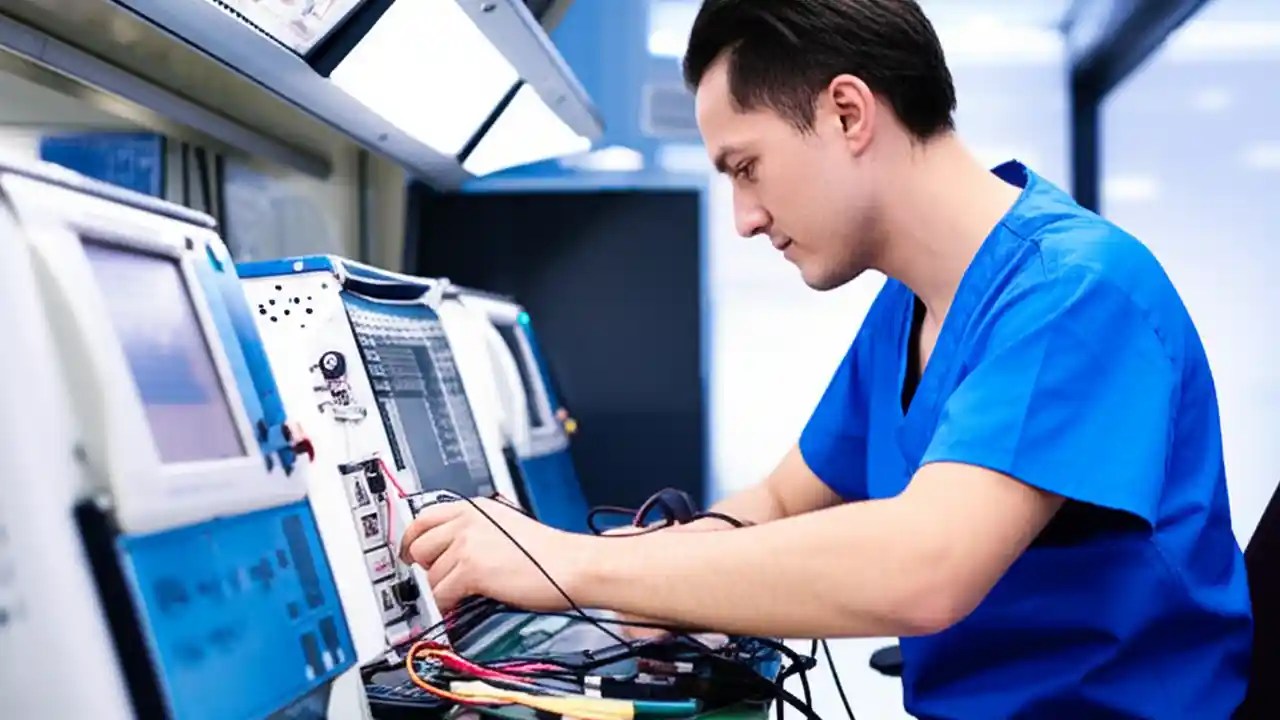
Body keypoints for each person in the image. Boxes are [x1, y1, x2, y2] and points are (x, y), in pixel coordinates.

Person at [400, 0, 1253, 716]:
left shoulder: (1074, 292)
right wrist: (662, 579)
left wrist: (564, 563)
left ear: (848, 113)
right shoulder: (909, 309)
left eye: (747, 167)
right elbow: (781, 496)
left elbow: (927, 567)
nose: (742, 217)